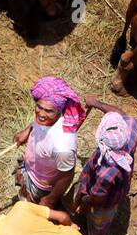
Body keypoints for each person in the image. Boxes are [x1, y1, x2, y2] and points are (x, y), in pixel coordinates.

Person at [72, 101, 137, 235]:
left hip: (102, 204)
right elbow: (121, 113)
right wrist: (95, 102)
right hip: (103, 190)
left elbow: (96, 200)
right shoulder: (130, 129)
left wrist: (83, 198)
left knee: (98, 226)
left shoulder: (106, 173)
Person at [14, 76, 87, 208]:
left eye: (48, 111)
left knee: (30, 208)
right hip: (31, 169)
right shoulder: (46, 118)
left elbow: (67, 176)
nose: (41, 114)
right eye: (39, 107)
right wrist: (28, 130)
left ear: (60, 110)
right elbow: (38, 122)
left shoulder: (62, 146)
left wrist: (50, 199)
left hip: (42, 184)